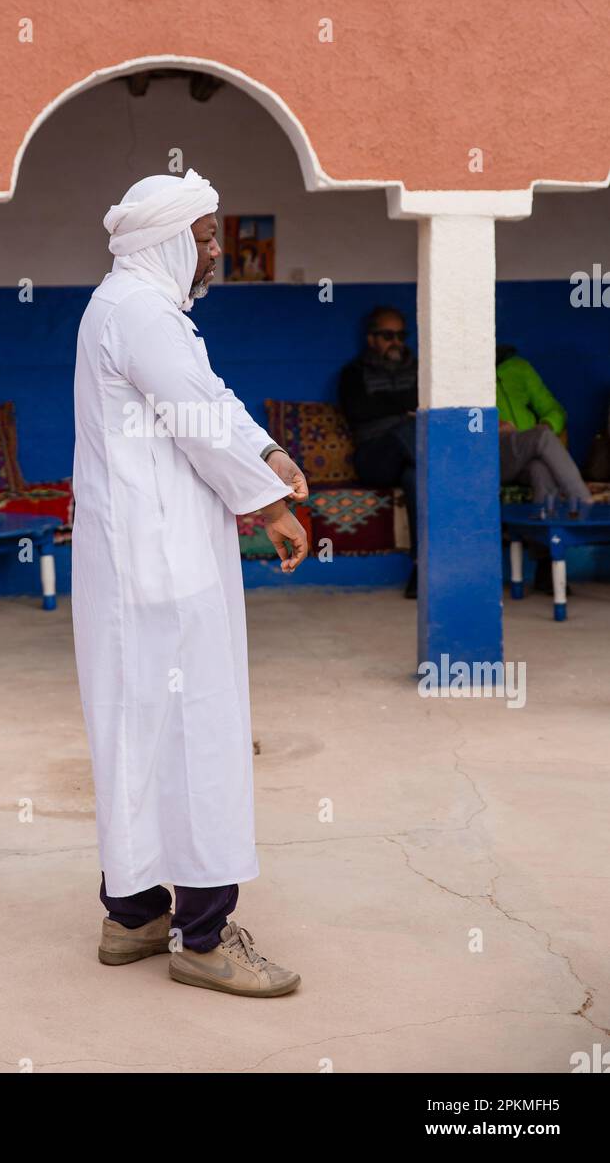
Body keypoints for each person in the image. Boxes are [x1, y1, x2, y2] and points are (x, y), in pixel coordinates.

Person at [72, 168, 309, 998]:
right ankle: (204, 937)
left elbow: (210, 399)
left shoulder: (130, 308)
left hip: (136, 567)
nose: (216, 253)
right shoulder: (142, 313)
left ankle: (132, 912)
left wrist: (271, 456)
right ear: (171, 241)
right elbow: (200, 421)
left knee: (135, 733)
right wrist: (272, 505)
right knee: (195, 736)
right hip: (165, 570)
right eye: (206, 239)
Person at [496, 345, 593, 592]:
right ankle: (582, 500)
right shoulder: (466, 371)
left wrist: (548, 423)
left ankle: (545, 564)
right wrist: (488, 425)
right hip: (491, 453)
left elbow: (555, 409)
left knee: (542, 471)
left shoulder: (518, 368)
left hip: (525, 452)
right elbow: (463, 420)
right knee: (541, 437)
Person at [338, 306, 418, 598]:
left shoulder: (420, 368)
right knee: (407, 433)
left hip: (411, 458)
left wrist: (386, 406)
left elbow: (422, 404)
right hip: (375, 459)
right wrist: (403, 410)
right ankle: (452, 482)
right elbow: (359, 411)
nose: (395, 342)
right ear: (371, 338)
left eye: (400, 335)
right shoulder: (354, 373)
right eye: (387, 335)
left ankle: (421, 568)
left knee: (416, 478)